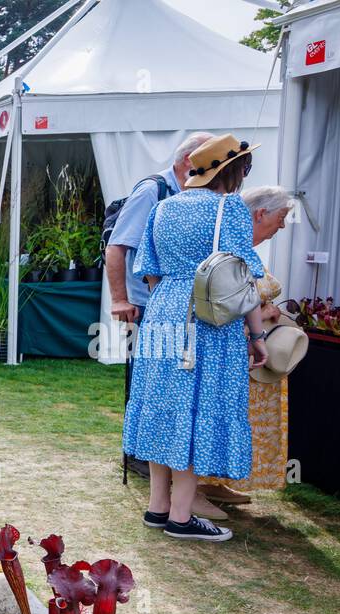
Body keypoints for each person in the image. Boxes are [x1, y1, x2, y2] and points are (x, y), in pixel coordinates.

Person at [122, 134, 268, 543]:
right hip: (207, 317)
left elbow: (148, 269)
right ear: (231, 171)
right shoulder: (230, 209)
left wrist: (170, 299)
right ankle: (182, 517)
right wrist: (257, 334)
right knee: (195, 404)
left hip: (164, 310)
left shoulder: (163, 207)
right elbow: (244, 279)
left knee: (163, 404)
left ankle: (158, 506)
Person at [200, 185, 299, 501]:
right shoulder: (231, 249)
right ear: (260, 214)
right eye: (281, 217)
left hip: (256, 352)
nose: (282, 225)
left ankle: (217, 482)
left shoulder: (247, 248)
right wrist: (259, 316)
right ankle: (200, 485)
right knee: (223, 416)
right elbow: (221, 301)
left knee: (243, 421)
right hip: (239, 349)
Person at [107, 132, 214, 326]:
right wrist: (119, 301)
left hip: (177, 303)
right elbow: (115, 246)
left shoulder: (197, 193)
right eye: (211, 156)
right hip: (145, 305)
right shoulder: (151, 190)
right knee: (150, 354)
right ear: (190, 160)